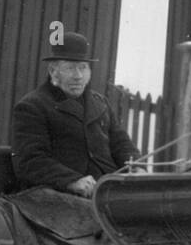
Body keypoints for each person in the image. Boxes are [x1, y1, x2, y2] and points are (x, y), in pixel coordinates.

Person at [11, 31, 141, 196]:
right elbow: (30, 161)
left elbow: (121, 144)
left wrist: (135, 166)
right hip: (60, 195)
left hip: (107, 191)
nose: (78, 76)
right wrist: (72, 180)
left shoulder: (101, 103)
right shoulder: (33, 106)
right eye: (70, 68)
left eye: (83, 68)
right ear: (53, 71)